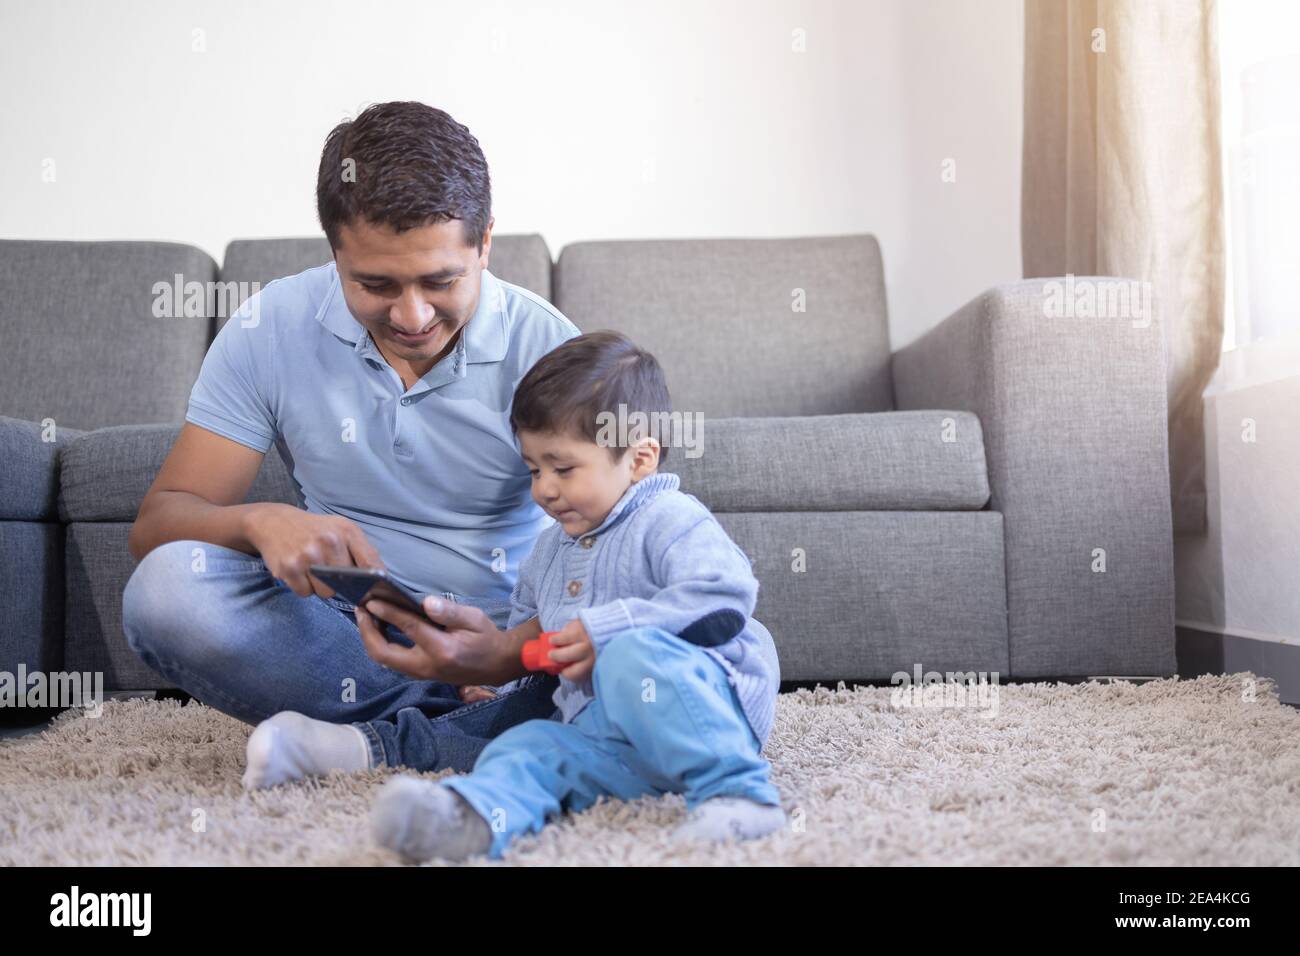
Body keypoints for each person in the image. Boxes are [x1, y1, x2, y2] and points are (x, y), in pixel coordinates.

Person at [121, 102, 580, 787]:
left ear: (484, 243)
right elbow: (159, 524)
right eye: (376, 284)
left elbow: (617, 548)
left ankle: (405, 736)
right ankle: (469, 730)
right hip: (349, 634)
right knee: (166, 591)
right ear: (335, 252)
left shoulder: (547, 348)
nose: (412, 316)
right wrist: (257, 520)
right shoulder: (269, 327)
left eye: (440, 281)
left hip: (501, 643)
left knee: (645, 652)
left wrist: (509, 653)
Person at [367, 331, 785, 861]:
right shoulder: (547, 552)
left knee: (629, 657)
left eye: (563, 468)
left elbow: (725, 598)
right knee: (527, 746)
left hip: (703, 719)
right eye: (534, 470)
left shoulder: (669, 519)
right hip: (608, 741)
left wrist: (612, 629)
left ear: (639, 459)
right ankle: (466, 820)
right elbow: (533, 638)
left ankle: (738, 793)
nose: (544, 488)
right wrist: (504, 687)